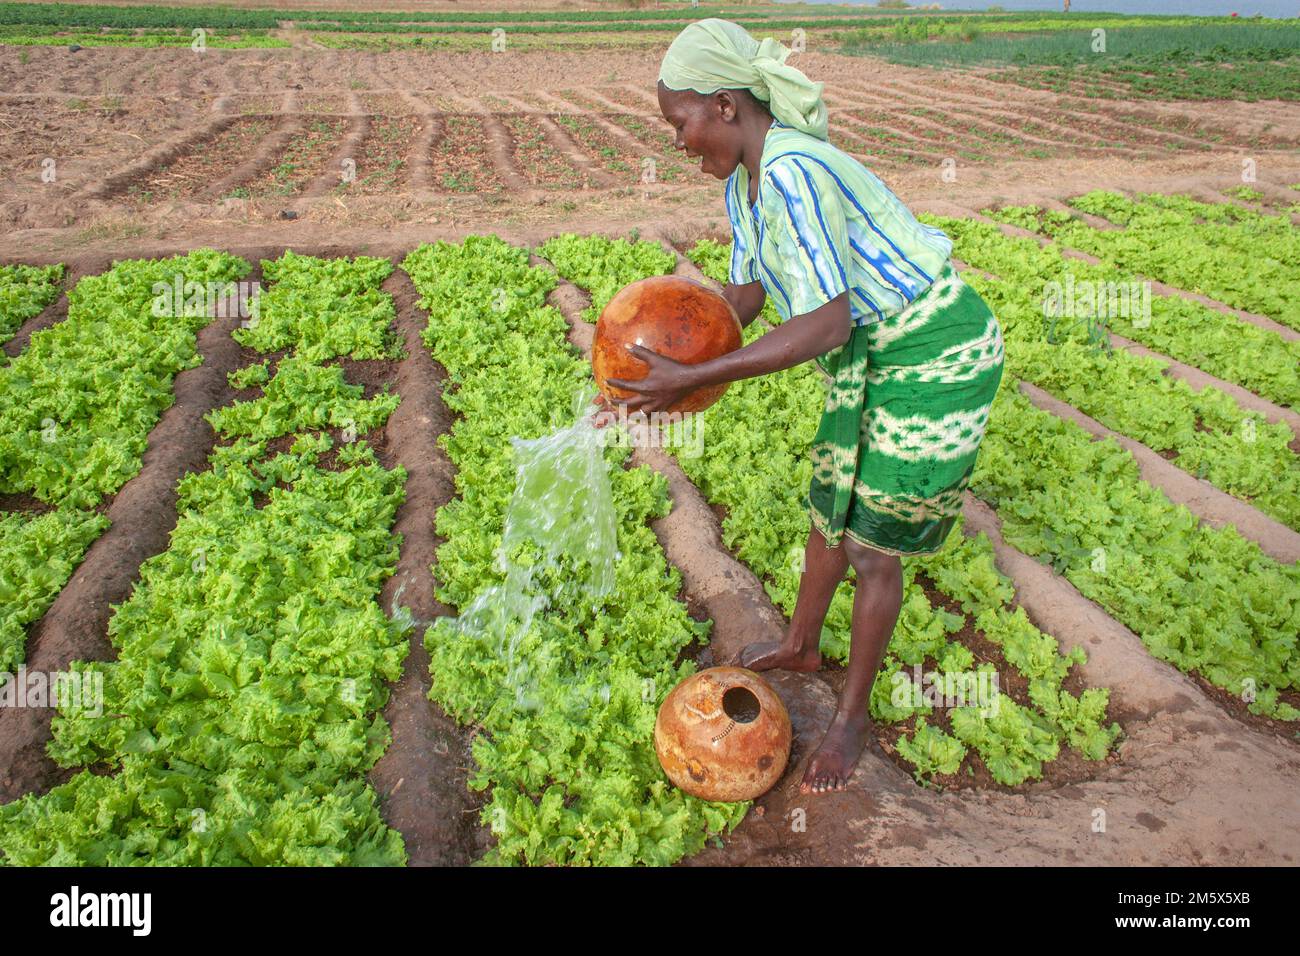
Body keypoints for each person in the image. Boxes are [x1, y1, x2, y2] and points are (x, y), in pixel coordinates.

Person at [607, 18, 1006, 795]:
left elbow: (826, 321)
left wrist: (696, 376)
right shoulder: (745, 183)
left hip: (934, 352)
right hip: (870, 353)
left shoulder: (792, 170)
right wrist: (654, 369)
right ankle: (801, 644)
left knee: (869, 546)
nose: (678, 141)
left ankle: (852, 716)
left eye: (679, 121)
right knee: (833, 506)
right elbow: (747, 298)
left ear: (724, 105)